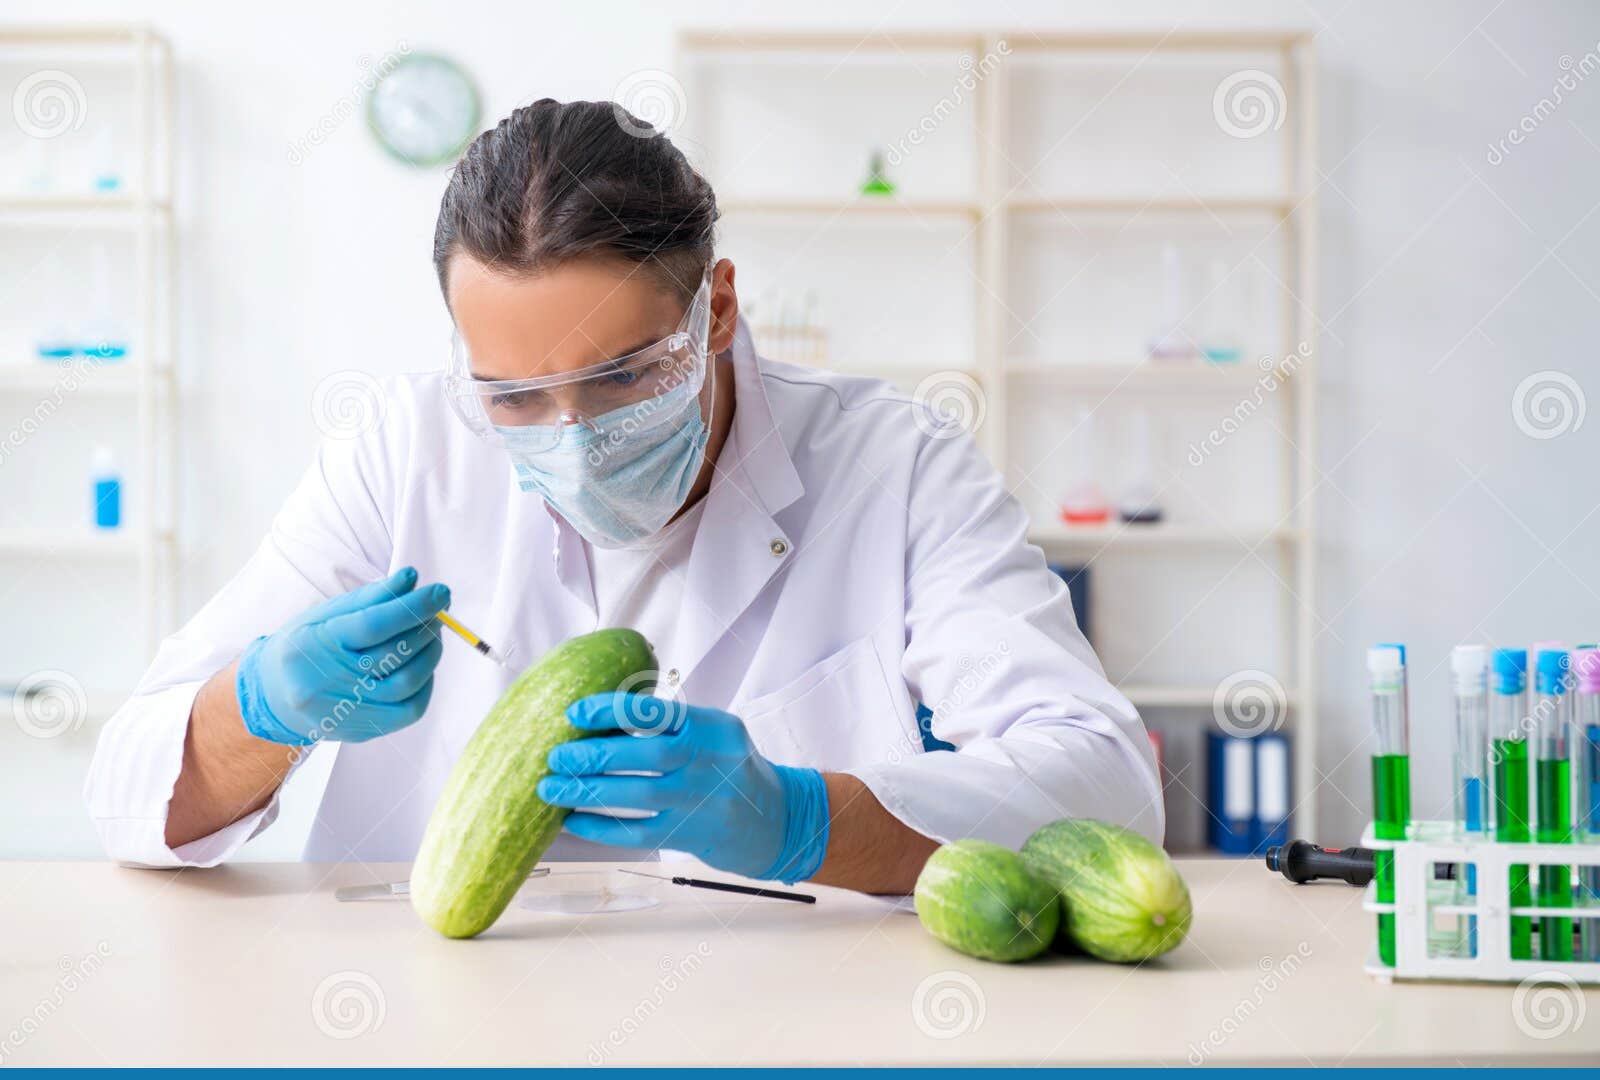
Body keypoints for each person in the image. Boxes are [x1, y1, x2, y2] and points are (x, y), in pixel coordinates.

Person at [85, 98, 1161, 894]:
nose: (573, 437)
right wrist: (263, 708)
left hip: (785, 1022)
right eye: (511, 395)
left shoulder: (895, 465)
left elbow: (1108, 790)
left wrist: (800, 819)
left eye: (620, 378)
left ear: (719, 307)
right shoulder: (401, 452)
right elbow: (126, 789)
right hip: (435, 1022)